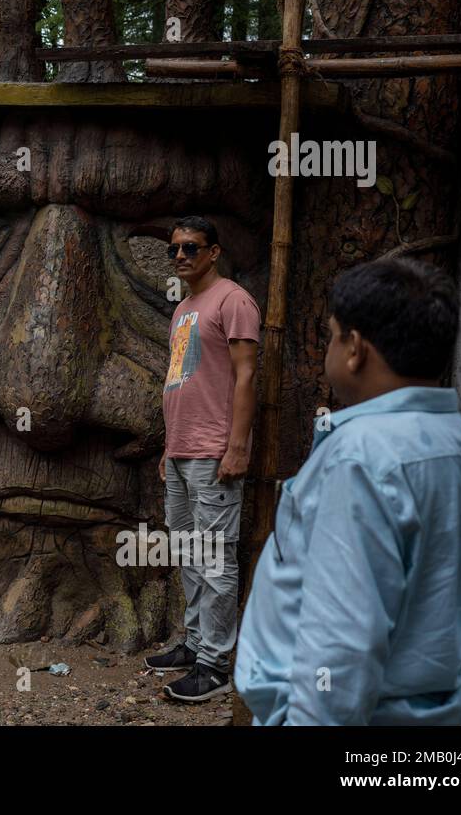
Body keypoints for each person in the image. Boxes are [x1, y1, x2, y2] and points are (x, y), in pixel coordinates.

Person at [236, 258, 461, 725]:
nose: (329, 346)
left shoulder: (358, 461)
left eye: (332, 334)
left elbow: (341, 647)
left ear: (355, 349)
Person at [146, 216, 260, 703]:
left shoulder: (234, 300)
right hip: (181, 450)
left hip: (215, 450)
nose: (180, 256)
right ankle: (194, 645)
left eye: (191, 248)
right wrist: (169, 449)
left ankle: (215, 664)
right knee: (189, 554)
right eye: (175, 249)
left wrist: (237, 445)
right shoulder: (184, 308)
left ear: (214, 252)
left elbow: (247, 375)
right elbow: (180, 380)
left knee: (215, 557)